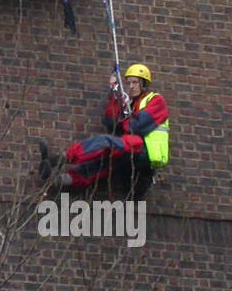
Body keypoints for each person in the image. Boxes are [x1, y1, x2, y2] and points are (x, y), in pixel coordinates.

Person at [36, 63, 169, 198]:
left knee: (105, 142)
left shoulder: (155, 100)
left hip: (146, 152)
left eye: (135, 82)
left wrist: (124, 112)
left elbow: (136, 125)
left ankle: (60, 158)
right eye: (128, 83)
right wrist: (115, 96)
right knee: (99, 165)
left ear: (144, 83)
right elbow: (111, 121)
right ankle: (59, 180)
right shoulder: (130, 104)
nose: (131, 87)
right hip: (130, 153)